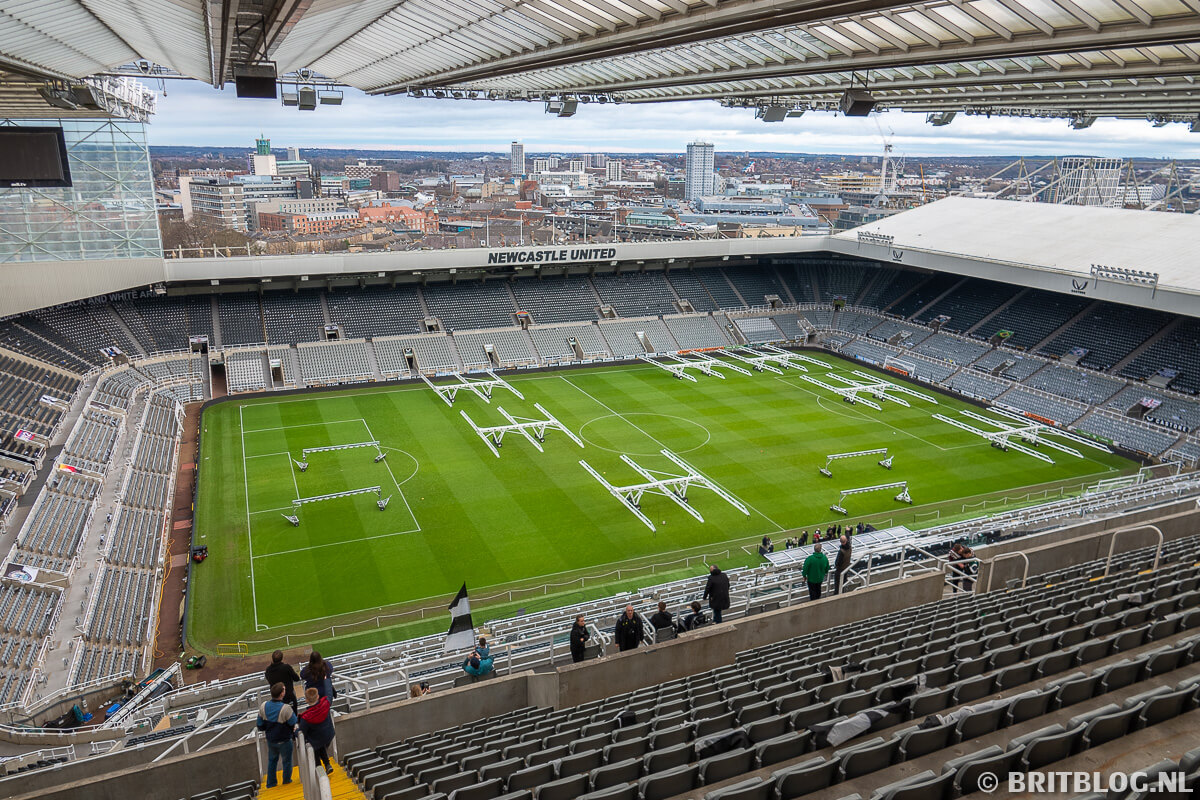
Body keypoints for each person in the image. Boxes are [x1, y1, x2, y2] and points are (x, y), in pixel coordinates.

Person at [256, 683, 298, 788]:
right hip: (285, 740)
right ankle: (286, 781)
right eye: (284, 690)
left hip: (271, 740)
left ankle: (271, 784)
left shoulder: (263, 706)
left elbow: (260, 725)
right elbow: (293, 722)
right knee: (287, 761)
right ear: (282, 694)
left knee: (272, 761)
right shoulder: (286, 708)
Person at [297, 687, 334, 775]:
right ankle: (327, 764)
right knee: (320, 745)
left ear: (306, 700)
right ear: (318, 696)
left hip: (315, 741)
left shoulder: (305, 717)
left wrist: (295, 731)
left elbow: (302, 731)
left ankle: (319, 767)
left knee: (315, 748)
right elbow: (329, 693)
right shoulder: (325, 705)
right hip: (327, 736)